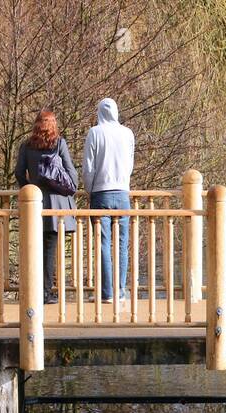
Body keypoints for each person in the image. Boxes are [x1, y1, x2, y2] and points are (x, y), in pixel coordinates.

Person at [14, 110, 77, 304]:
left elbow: (18, 173)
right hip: (56, 208)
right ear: (54, 124)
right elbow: (72, 176)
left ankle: (34, 291)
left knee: (34, 250)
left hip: (34, 205)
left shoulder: (26, 145)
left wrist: (30, 190)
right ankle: (45, 292)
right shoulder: (59, 144)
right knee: (49, 251)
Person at [82, 98, 135, 303]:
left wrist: (89, 190)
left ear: (99, 112)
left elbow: (88, 168)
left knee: (103, 243)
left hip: (101, 193)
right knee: (122, 244)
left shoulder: (95, 133)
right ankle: (120, 290)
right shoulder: (127, 133)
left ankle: (107, 293)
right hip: (122, 194)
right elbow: (130, 164)